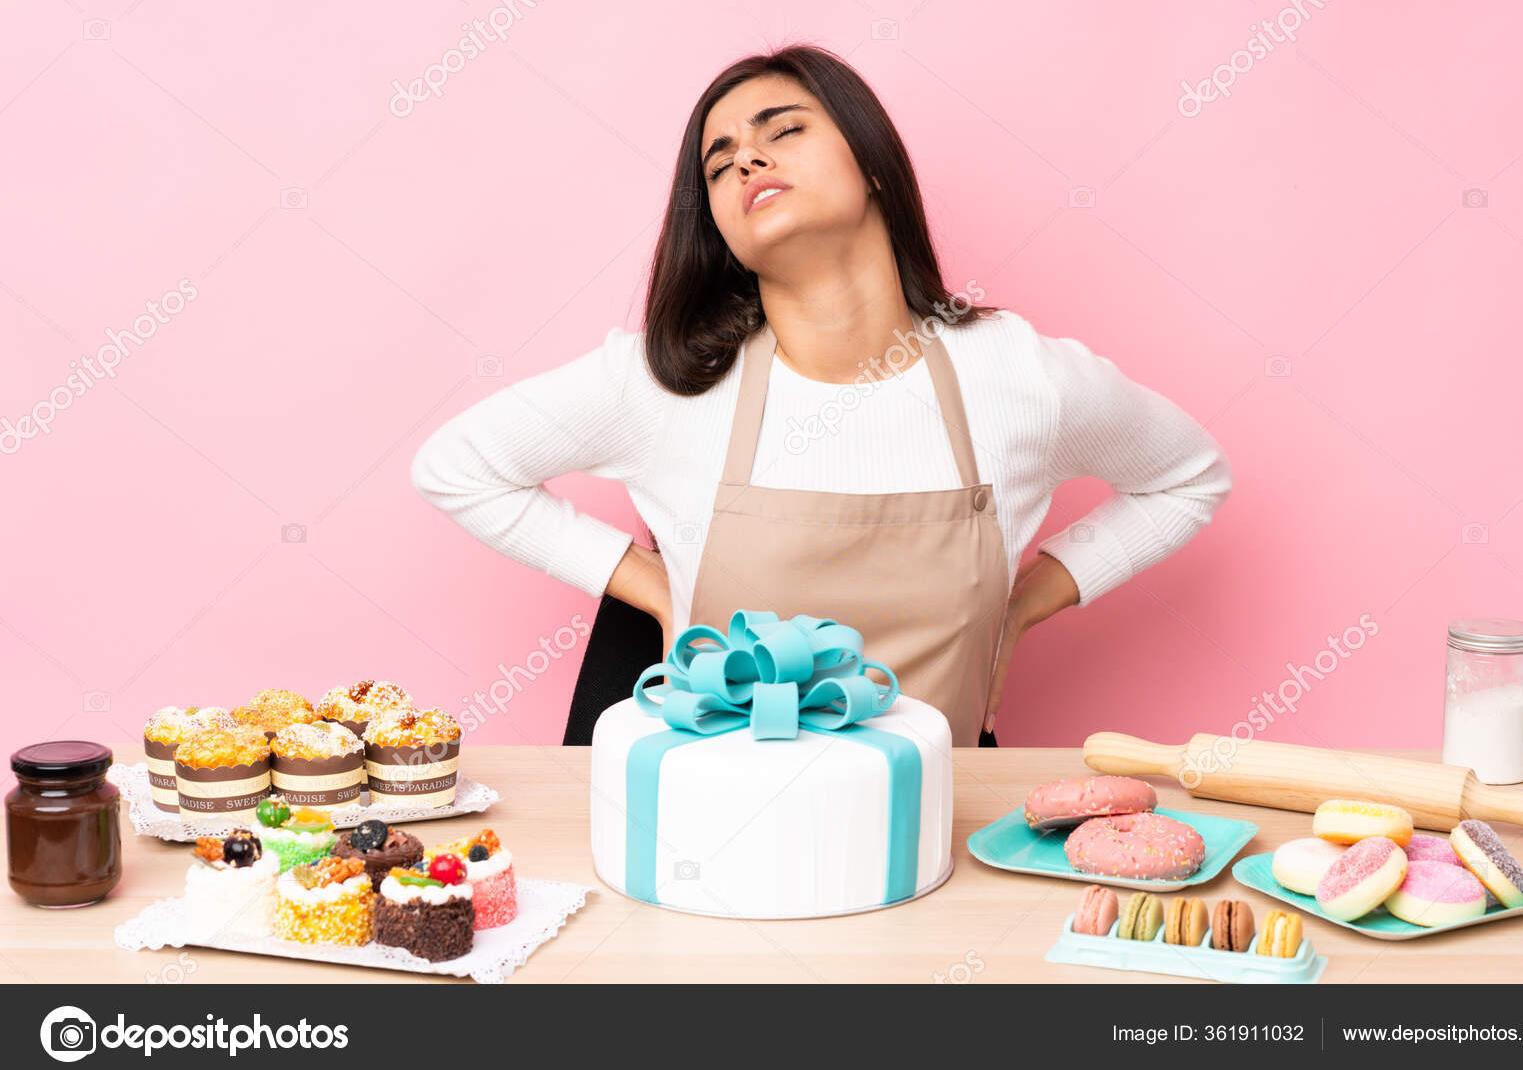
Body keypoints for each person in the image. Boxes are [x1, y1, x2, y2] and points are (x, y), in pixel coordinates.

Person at [412, 44, 1232, 748]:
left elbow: (1191, 475)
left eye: (785, 130)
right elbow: (455, 467)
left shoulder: (1016, 376)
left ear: (874, 163)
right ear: (722, 230)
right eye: (720, 158)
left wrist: (1020, 610)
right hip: (710, 843)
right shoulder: (664, 383)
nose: (745, 160)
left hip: (930, 848)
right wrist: (651, 586)